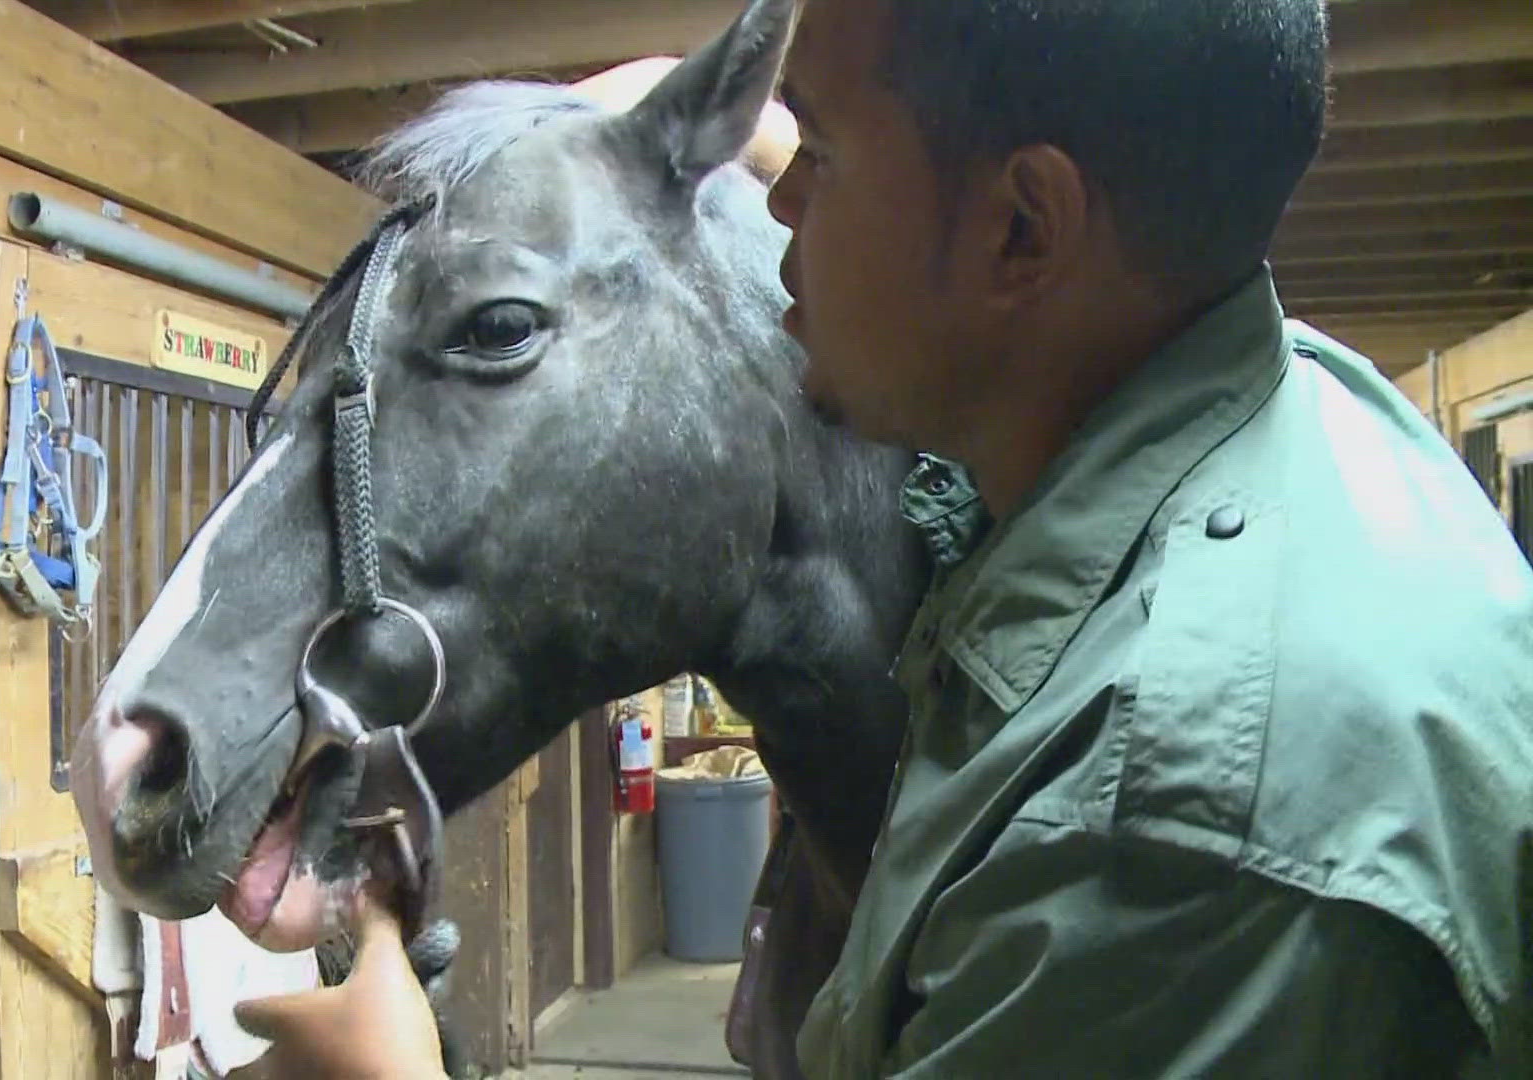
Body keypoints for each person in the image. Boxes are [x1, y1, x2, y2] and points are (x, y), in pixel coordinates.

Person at [241, 1, 1533, 1076]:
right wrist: (650, 155)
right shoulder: (1278, 404)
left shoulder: (1176, 824)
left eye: (827, 156)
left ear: (1023, 230)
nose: (782, 200)